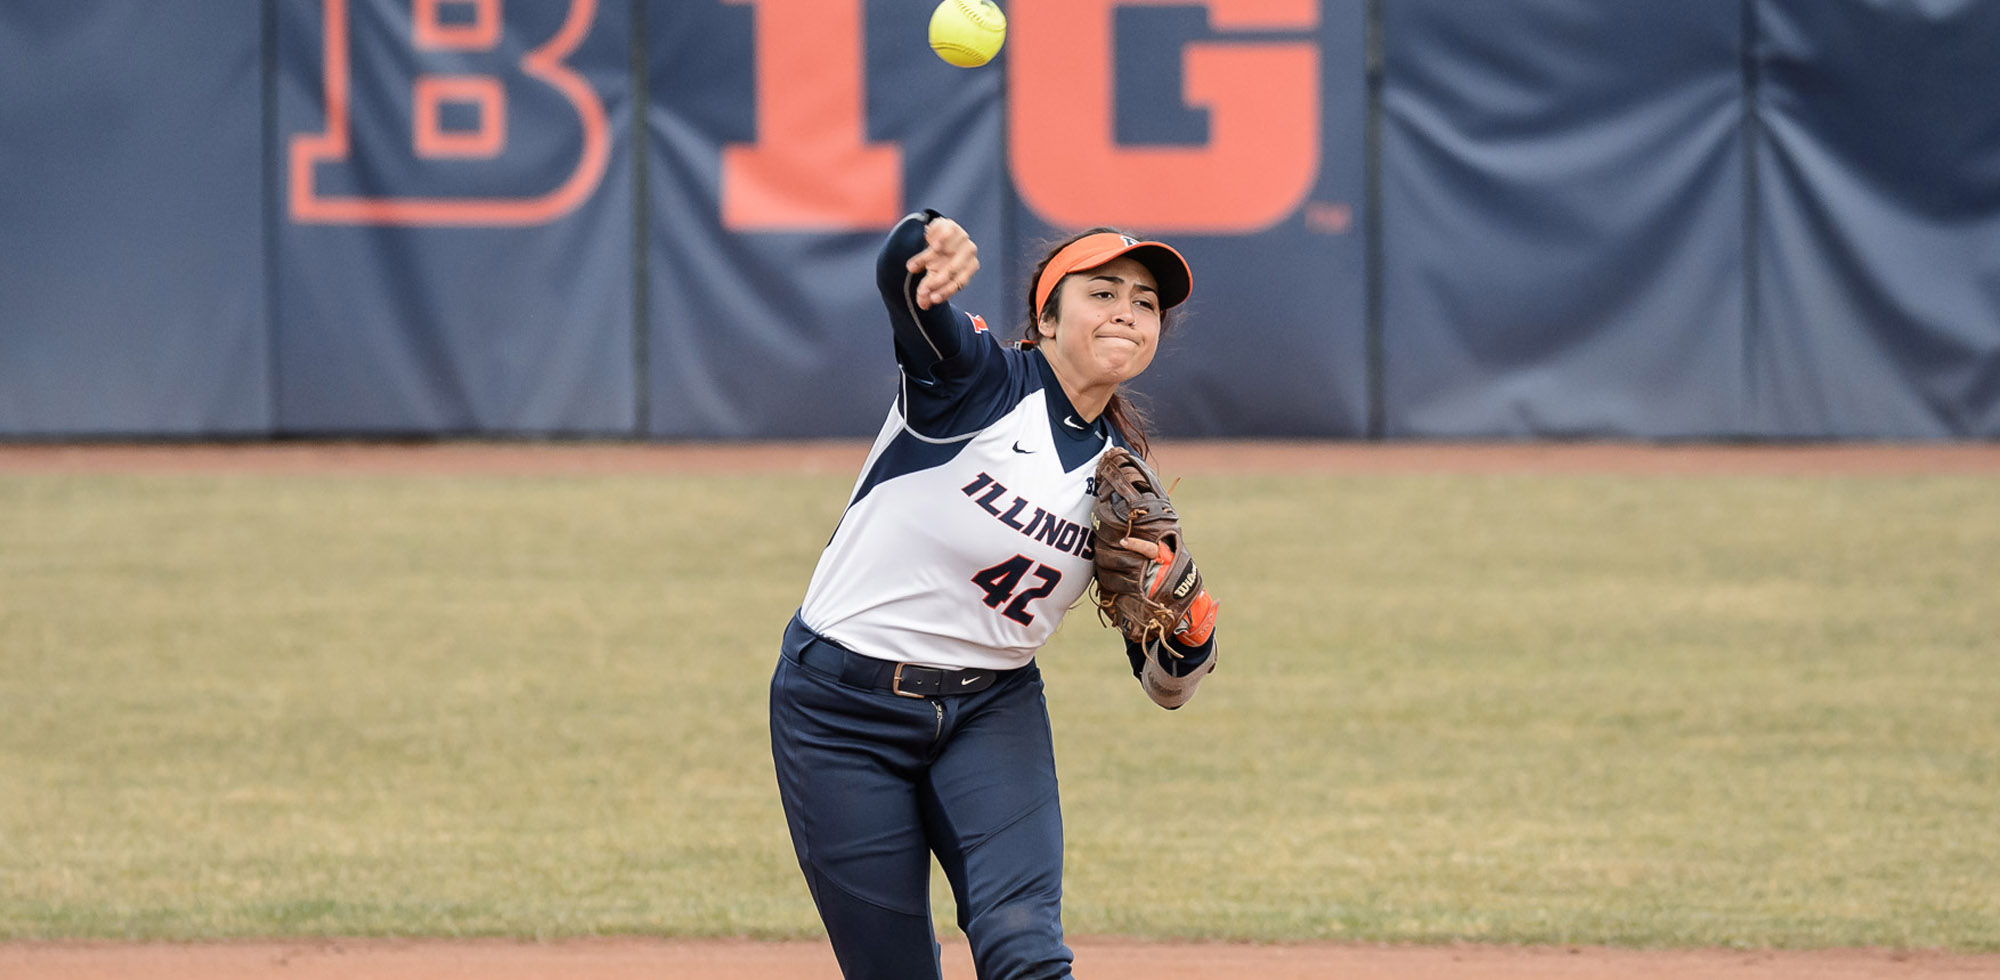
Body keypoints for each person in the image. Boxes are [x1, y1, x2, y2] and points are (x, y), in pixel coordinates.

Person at [768, 209, 1221, 980]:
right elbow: (905, 283)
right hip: (839, 713)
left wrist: (1188, 634)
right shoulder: (977, 384)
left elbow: (1166, 684)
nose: (1127, 312)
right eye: (1103, 293)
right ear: (1046, 319)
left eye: (1145, 303)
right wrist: (925, 240)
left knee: (1027, 952)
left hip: (991, 713)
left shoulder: (1122, 480)